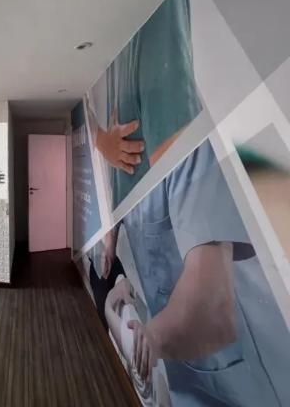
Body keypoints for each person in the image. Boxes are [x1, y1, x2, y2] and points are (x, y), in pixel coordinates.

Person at [101, 140, 290, 406]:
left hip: (248, 381)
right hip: (186, 377)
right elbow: (119, 204)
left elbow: (213, 310)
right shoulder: (122, 159)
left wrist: (149, 340)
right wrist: (110, 238)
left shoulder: (191, 152)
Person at [89, 0, 202, 209]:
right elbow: (178, 167)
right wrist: (99, 138)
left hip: (139, 194)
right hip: (144, 197)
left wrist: (98, 137)